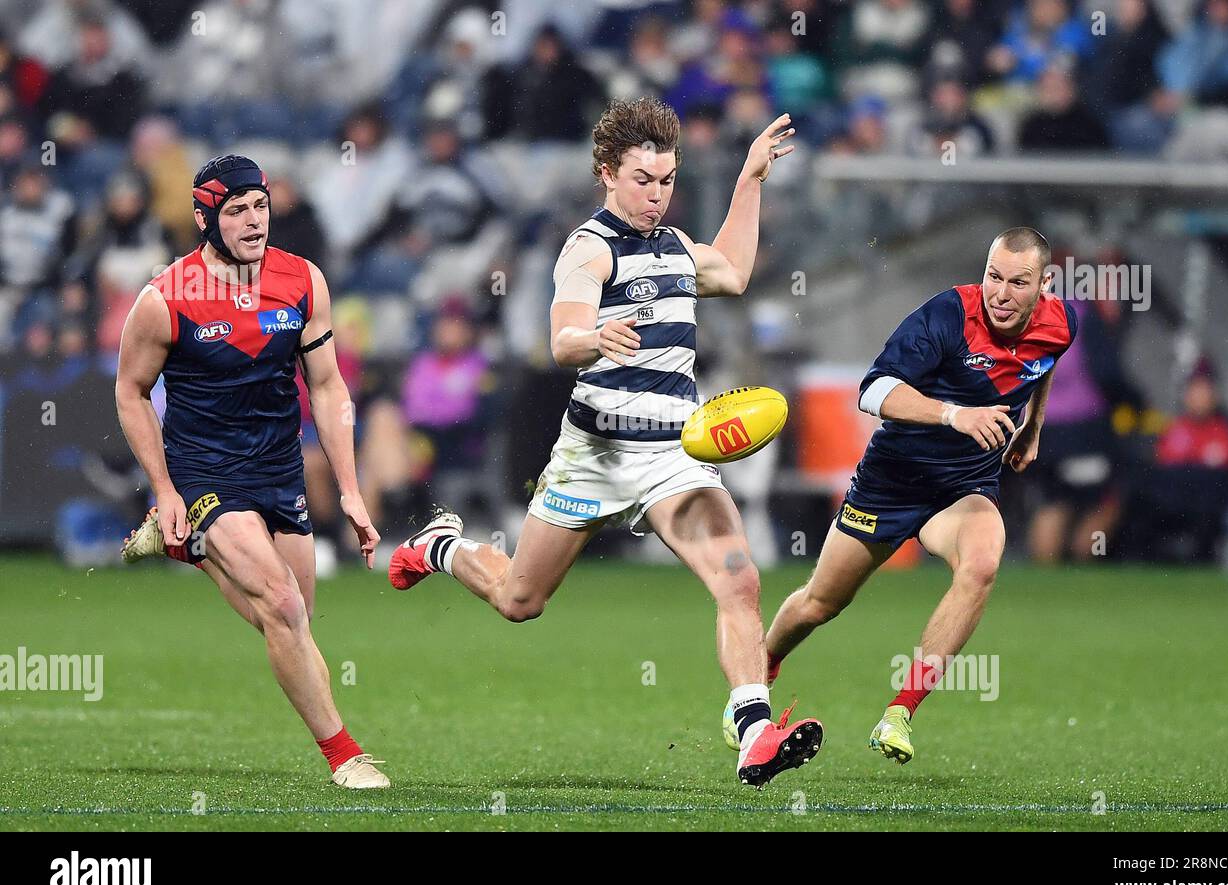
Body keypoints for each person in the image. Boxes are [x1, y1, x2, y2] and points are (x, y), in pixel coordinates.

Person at [388, 97, 821, 788]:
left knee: (738, 578)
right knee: (520, 600)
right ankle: (442, 545)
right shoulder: (589, 247)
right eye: (643, 180)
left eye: (667, 180)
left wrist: (749, 180)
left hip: (672, 453)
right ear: (606, 175)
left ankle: (753, 732)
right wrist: (593, 338)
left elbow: (733, 272)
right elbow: (562, 338)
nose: (656, 194)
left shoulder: (678, 248)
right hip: (593, 456)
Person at [115, 155, 387, 789]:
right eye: (235, 210)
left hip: (278, 465)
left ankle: (182, 543)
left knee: (291, 622)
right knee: (283, 603)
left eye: (259, 206)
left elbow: (327, 385)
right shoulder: (165, 298)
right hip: (203, 469)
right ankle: (345, 756)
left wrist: (348, 489)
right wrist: (163, 486)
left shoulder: (303, 281)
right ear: (206, 218)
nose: (253, 221)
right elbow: (130, 392)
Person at [764, 228, 1076, 765]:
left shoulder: (1061, 322)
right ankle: (758, 674)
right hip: (893, 482)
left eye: (1018, 283)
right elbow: (874, 390)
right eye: (993, 277)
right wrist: (955, 414)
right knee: (820, 603)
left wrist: (1033, 428)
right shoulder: (947, 315)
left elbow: (1044, 362)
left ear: (1044, 284)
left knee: (980, 564)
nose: (1001, 294)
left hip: (963, 487)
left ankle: (900, 712)